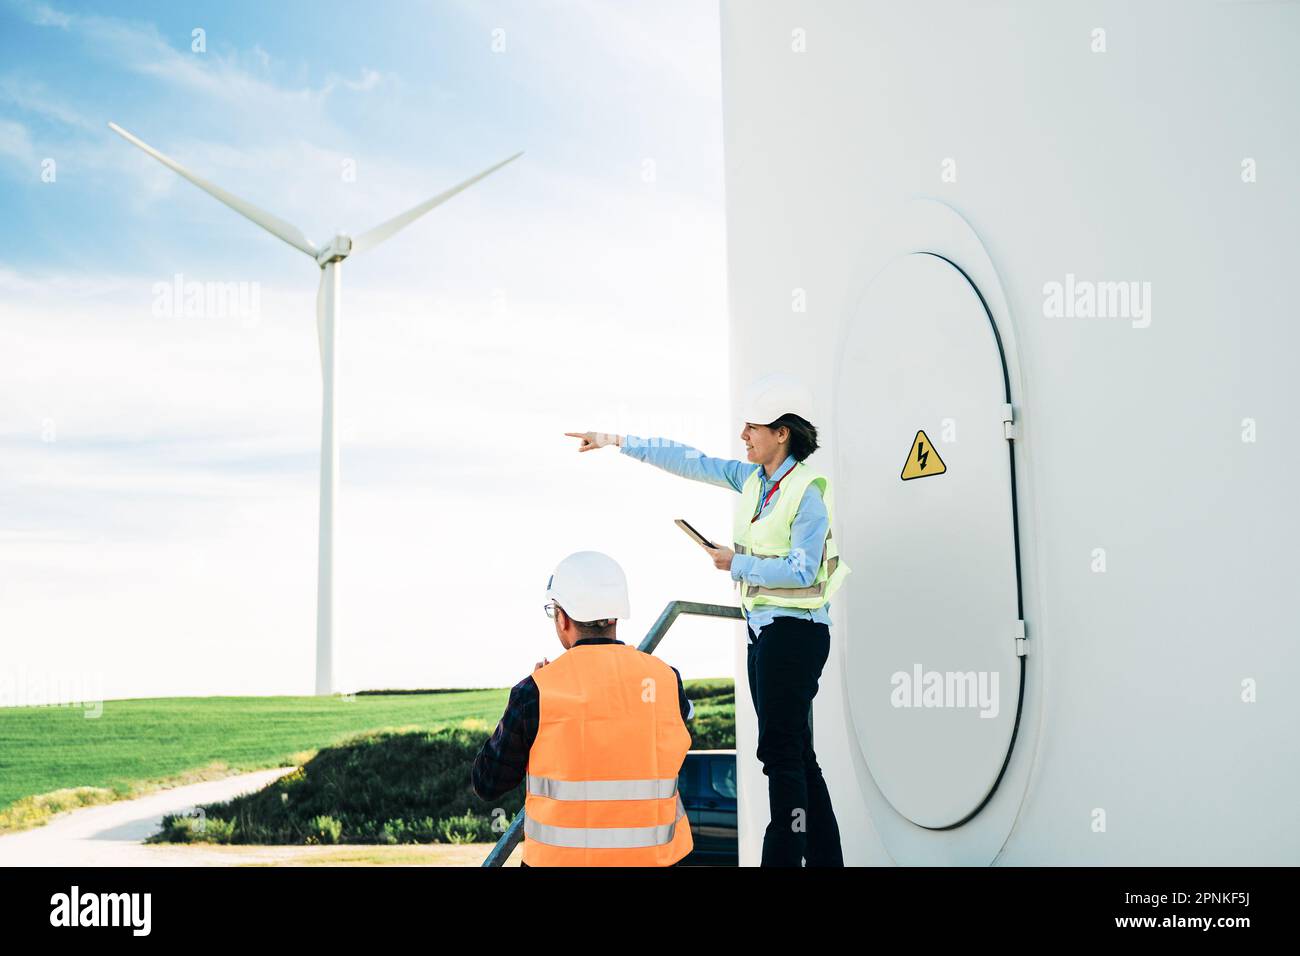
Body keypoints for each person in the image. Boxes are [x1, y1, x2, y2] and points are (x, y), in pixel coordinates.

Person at [565, 372, 849, 866]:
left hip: (796, 635)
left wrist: (734, 563)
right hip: (766, 632)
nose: (743, 435)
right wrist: (616, 441)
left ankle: (782, 859)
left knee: (780, 756)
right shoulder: (751, 480)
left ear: (782, 433)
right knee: (797, 754)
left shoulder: (807, 492)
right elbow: (689, 461)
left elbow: (804, 569)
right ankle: (827, 860)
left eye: (752, 427)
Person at [471, 550, 695, 867]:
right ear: (616, 616)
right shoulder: (666, 680)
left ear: (562, 618)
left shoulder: (535, 691)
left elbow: (487, 782)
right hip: (657, 860)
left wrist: (527, 702)